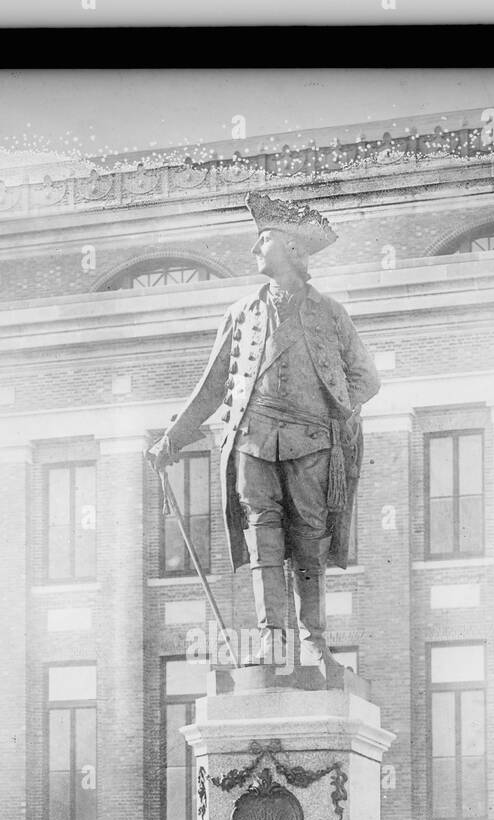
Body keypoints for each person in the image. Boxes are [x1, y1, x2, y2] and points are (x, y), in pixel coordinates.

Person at [147, 191, 379, 676]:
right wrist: (173, 438)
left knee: (309, 542)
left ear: (292, 250)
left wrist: (337, 409)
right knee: (264, 543)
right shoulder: (242, 314)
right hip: (253, 441)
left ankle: (313, 640)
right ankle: (275, 642)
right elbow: (211, 387)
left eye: (264, 239)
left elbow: (366, 378)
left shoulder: (331, 312)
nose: (255, 251)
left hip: (312, 441)